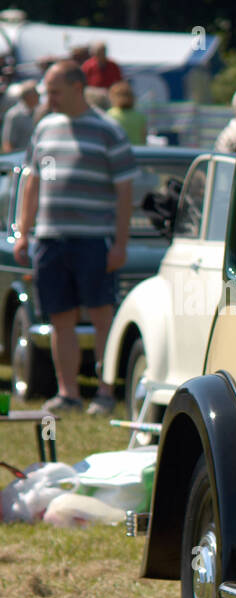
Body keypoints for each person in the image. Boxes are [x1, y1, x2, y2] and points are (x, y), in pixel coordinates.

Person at [14, 60, 137, 415]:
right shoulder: (45, 127)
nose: (47, 98)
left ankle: (104, 392)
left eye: (53, 91)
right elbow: (32, 182)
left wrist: (120, 243)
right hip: (51, 240)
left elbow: (125, 191)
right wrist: (25, 232)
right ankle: (67, 394)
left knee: (101, 317)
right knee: (59, 318)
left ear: (76, 88)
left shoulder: (108, 130)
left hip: (93, 240)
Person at [2, 81, 39, 152]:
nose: (38, 97)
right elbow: (7, 143)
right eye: (35, 94)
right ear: (27, 97)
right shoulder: (14, 115)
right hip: (20, 157)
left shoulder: (39, 112)